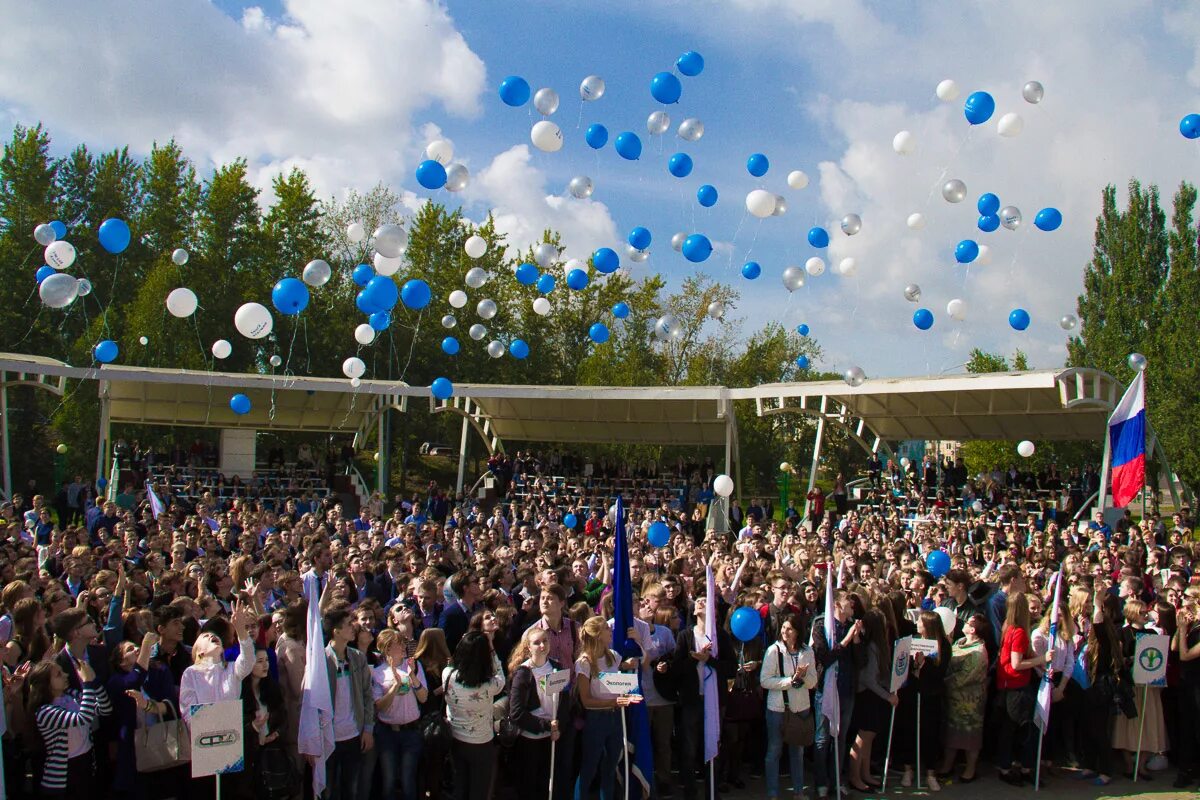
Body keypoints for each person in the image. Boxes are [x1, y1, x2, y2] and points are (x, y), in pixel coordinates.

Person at [574, 616, 642, 800]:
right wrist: (613, 702)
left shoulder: (613, 654)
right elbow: (586, 700)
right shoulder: (584, 663)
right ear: (597, 635)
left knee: (611, 765)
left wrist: (630, 664)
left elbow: (620, 673)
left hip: (616, 718)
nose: (610, 631)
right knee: (590, 765)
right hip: (596, 719)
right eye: (606, 629)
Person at [994, 591, 1054, 786]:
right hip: (1017, 685)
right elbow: (1016, 663)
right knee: (1020, 730)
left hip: (1006, 684)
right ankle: (1016, 767)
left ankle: (1007, 766)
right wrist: (1041, 659)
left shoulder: (1007, 627)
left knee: (1008, 730)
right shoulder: (1018, 631)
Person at [506, 626, 569, 800]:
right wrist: (546, 726)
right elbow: (516, 712)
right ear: (528, 647)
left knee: (547, 782)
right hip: (531, 738)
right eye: (537, 643)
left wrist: (559, 726)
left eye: (545, 641)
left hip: (552, 736)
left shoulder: (556, 666)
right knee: (529, 784)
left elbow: (565, 700)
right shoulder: (523, 673)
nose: (542, 645)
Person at [28, 657, 106, 798]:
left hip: (86, 764)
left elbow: (105, 708)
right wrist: (87, 683)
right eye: (59, 674)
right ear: (46, 684)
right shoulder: (45, 711)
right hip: (64, 777)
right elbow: (83, 718)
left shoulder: (72, 695)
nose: (66, 675)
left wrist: (95, 682)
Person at [760, 612, 818, 800]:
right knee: (774, 751)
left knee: (797, 752)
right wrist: (789, 681)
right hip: (777, 708)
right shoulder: (773, 651)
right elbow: (765, 681)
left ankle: (798, 791)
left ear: (797, 631)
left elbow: (813, 681)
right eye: (784, 628)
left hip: (801, 707)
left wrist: (802, 679)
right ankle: (772, 793)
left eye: (790, 629)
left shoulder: (807, 651)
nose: (785, 632)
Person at [443, 630, 505, 800]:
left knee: (460, 787)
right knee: (479, 791)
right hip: (481, 744)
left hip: (456, 739)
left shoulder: (447, 675)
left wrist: (466, 642)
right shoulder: (491, 684)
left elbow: (453, 663)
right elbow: (500, 673)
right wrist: (491, 649)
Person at [322, 605, 375, 800]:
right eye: (347, 624)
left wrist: (368, 729)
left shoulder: (358, 658)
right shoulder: (321, 660)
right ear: (336, 631)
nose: (353, 627)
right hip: (329, 739)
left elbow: (367, 695)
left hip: (354, 736)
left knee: (350, 790)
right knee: (328, 792)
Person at [369, 628, 427, 800]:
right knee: (389, 780)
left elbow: (423, 698)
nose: (403, 647)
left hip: (411, 732)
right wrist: (394, 686)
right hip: (388, 733)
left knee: (408, 778)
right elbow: (379, 706)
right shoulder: (378, 673)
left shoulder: (414, 665)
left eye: (403, 643)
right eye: (398, 644)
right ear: (387, 649)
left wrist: (413, 677)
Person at [899, 611, 951, 791]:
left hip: (931, 694)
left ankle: (930, 772)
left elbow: (941, 671)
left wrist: (924, 665)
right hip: (911, 693)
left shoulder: (943, 644)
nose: (917, 623)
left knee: (930, 733)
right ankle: (908, 769)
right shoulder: (912, 639)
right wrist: (915, 665)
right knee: (909, 730)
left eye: (920, 621)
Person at [848, 608, 894, 792]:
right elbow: (868, 679)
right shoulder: (873, 646)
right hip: (869, 696)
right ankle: (854, 777)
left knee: (869, 739)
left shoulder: (878, 645)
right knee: (862, 739)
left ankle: (865, 774)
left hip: (875, 695)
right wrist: (887, 696)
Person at [940, 612, 988, 782]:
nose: (964, 623)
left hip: (970, 704)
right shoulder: (959, 643)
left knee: (970, 737)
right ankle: (947, 765)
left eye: (968, 622)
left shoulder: (978, 653)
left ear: (973, 629)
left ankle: (970, 769)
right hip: (953, 702)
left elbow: (963, 678)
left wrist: (942, 682)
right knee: (951, 735)